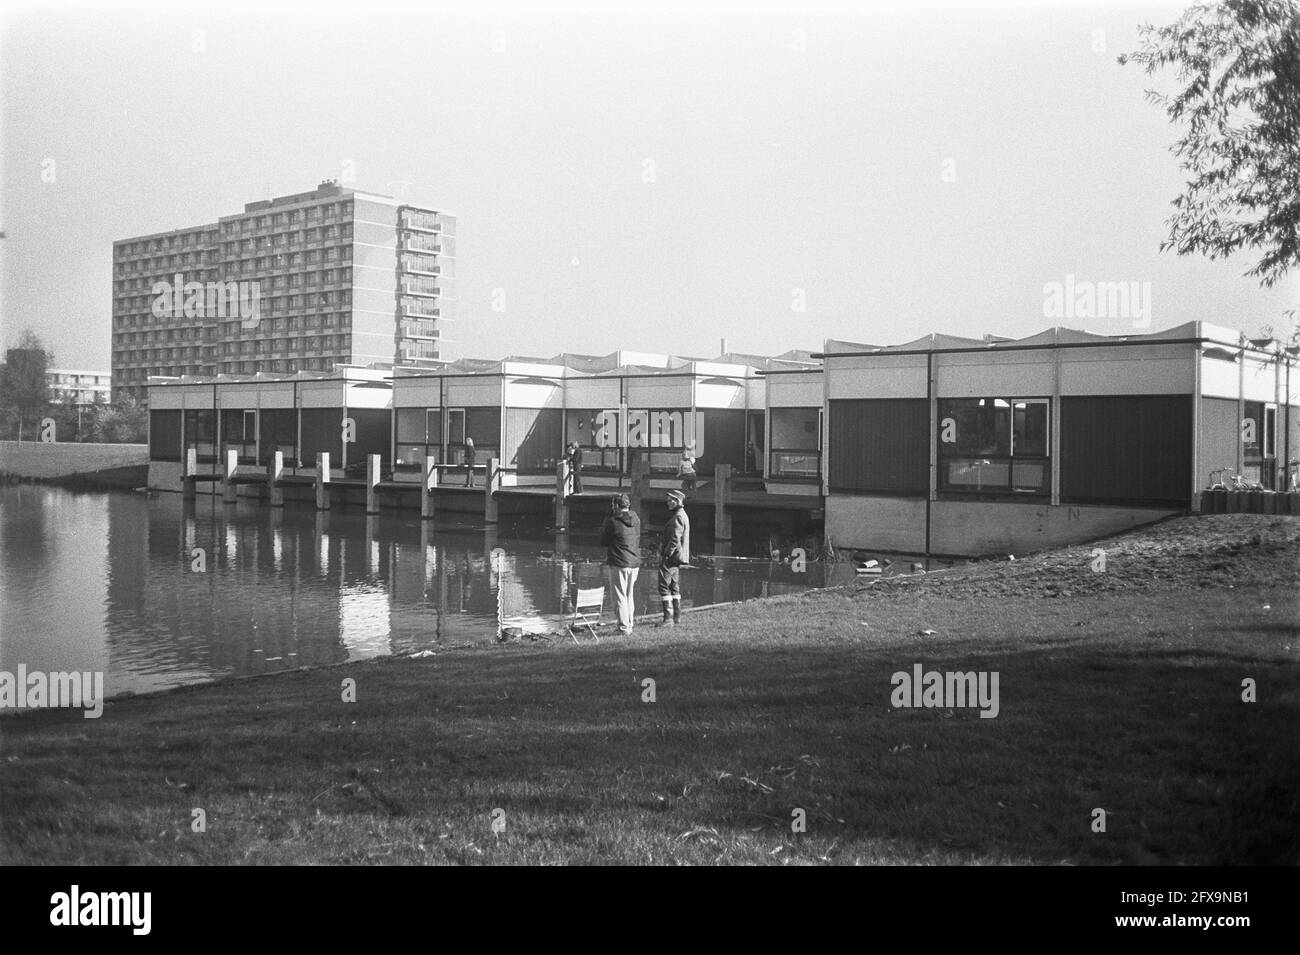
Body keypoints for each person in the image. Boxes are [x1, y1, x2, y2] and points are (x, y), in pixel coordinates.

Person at [599, 493, 641, 634]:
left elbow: (603, 540)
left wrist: (606, 517)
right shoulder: (635, 518)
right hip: (634, 561)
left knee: (619, 596)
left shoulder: (613, 521)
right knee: (629, 595)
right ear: (628, 505)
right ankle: (629, 624)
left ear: (616, 505)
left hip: (619, 562)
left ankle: (623, 628)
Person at [657, 489, 690, 627]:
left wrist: (665, 553)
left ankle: (668, 619)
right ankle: (677, 617)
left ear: (678, 501)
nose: (667, 502)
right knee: (674, 586)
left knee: (664, 586)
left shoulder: (677, 517)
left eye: (670, 500)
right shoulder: (683, 515)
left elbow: (675, 539)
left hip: (671, 558)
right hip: (678, 557)